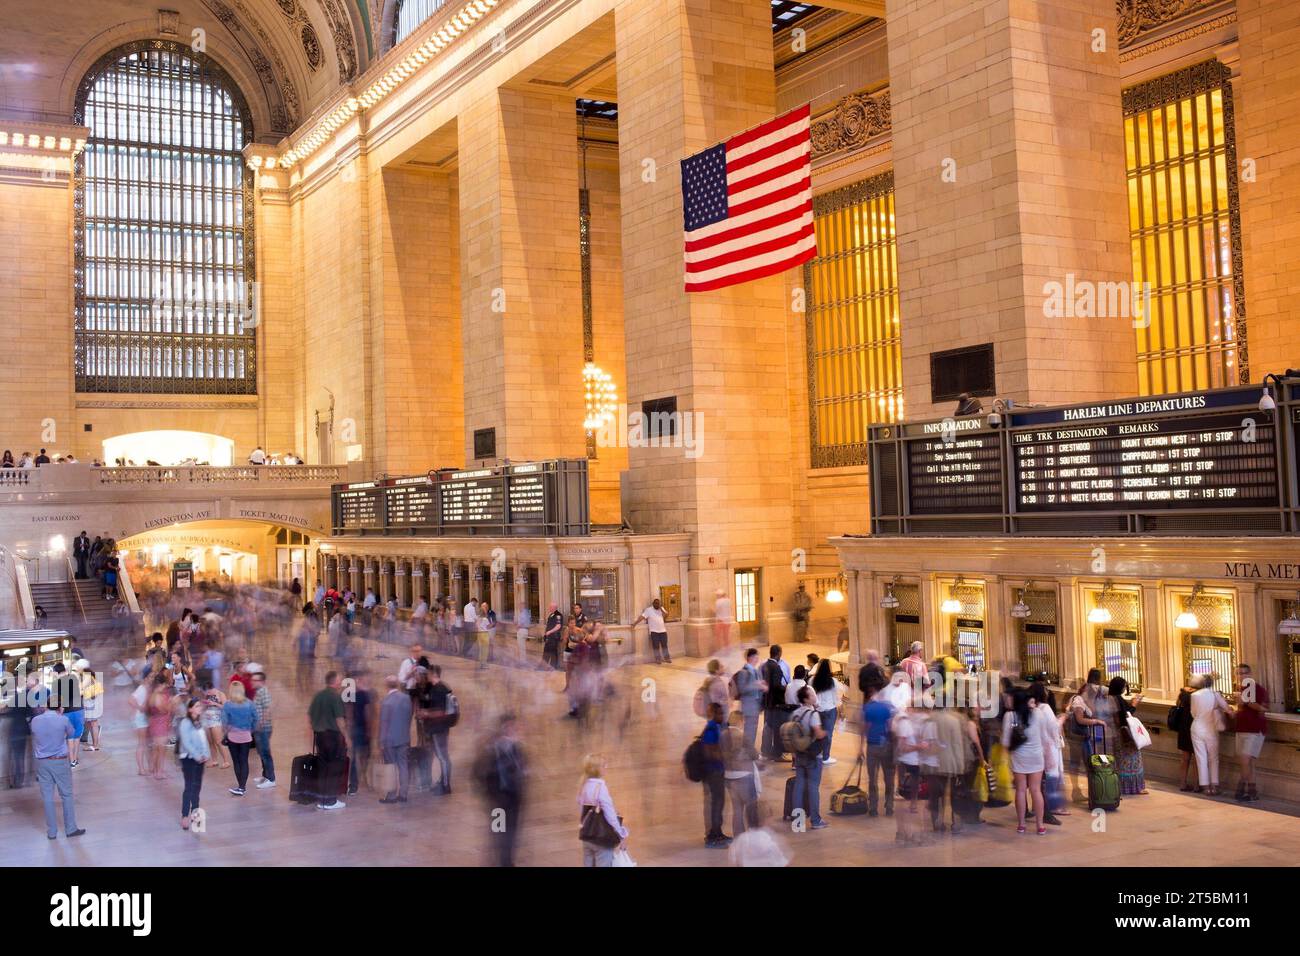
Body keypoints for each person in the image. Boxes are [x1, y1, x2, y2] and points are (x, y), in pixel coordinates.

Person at [30, 697, 85, 840]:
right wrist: (61, 716)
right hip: (59, 761)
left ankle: (52, 832)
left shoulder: (35, 721)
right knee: (66, 794)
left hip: (42, 762)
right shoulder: (63, 720)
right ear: (60, 707)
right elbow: (72, 733)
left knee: (47, 797)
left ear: (46, 706)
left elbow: (34, 733)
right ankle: (70, 828)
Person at [1002, 687, 1054, 835]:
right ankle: (1040, 825)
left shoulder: (1010, 716)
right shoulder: (1038, 713)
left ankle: (1022, 824)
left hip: (1019, 757)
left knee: (1020, 790)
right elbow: (1044, 736)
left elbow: (1005, 741)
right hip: (1036, 756)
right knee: (1036, 790)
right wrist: (1047, 754)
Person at [478, 714, 526, 867]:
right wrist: (491, 795)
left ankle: (507, 862)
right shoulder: (492, 751)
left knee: (511, 834)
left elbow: (521, 771)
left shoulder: (517, 749)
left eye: (515, 727)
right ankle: (499, 862)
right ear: (503, 728)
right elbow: (480, 774)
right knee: (498, 834)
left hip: (514, 800)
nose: (514, 730)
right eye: (511, 727)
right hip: (498, 802)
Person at [789, 687, 829, 831]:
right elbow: (818, 734)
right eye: (811, 694)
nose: (814, 696)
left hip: (799, 754)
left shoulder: (795, 714)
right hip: (813, 755)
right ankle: (816, 820)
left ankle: (798, 822)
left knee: (799, 787)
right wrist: (825, 733)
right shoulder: (813, 714)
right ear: (806, 699)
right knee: (813, 787)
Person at [307, 671, 348, 810]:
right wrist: (347, 737)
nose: (341, 683)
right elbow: (339, 720)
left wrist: (313, 730)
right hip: (332, 737)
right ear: (334, 682)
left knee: (323, 767)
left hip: (319, 736)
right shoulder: (335, 697)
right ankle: (330, 800)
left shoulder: (318, 696)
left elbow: (310, 716)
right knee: (334, 768)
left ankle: (322, 798)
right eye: (340, 680)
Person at [578, 753, 628, 866]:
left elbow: (582, 811)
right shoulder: (600, 788)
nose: (606, 768)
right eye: (604, 765)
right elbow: (610, 815)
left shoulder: (583, 786)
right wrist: (621, 835)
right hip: (601, 839)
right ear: (598, 769)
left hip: (587, 836)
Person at [1231, 664, 1268, 802]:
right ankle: (1252, 792)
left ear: (1250, 674)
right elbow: (1242, 708)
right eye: (1239, 673)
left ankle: (1241, 789)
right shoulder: (1241, 689)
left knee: (1245, 760)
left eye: (1244, 673)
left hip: (1254, 730)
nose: (1241, 676)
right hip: (1241, 729)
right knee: (1248, 762)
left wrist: (1245, 701)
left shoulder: (1257, 689)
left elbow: (1262, 708)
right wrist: (1234, 712)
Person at [1189, 674, 1230, 795]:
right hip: (1211, 728)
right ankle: (1215, 786)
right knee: (1213, 758)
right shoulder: (1215, 694)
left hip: (1197, 727)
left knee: (1201, 758)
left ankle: (1206, 787)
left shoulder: (1194, 695)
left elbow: (1193, 713)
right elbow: (1227, 708)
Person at [1108, 676, 1148, 796]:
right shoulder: (1117, 699)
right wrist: (1134, 704)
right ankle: (1134, 787)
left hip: (1115, 734)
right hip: (1124, 734)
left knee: (1120, 761)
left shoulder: (1109, 698)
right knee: (1133, 760)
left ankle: (1121, 787)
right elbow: (1124, 714)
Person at [721, 717, 760, 836]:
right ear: (740, 721)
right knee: (751, 808)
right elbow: (754, 755)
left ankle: (739, 837)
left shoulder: (722, 735)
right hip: (744, 775)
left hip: (728, 776)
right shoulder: (742, 735)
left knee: (737, 810)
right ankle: (754, 836)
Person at [861, 683, 895, 817]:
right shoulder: (887, 708)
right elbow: (891, 727)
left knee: (872, 779)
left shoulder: (867, 708)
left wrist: (860, 748)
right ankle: (889, 806)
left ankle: (873, 807)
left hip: (872, 746)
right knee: (889, 778)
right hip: (886, 745)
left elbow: (865, 729)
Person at [700, 701, 731, 847]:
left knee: (719, 802)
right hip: (713, 772)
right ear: (713, 714)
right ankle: (713, 835)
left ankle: (718, 832)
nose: (722, 716)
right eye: (719, 713)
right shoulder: (711, 729)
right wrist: (722, 756)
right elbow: (708, 750)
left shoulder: (717, 727)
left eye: (723, 713)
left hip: (718, 770)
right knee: (716, 803)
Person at [378, 675, 413, 804]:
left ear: (387, 686)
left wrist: (381, 742)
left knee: (391, 767)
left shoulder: (386, 702)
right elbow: (409, 717)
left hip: (390, 741)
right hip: (403, 738)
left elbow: (384, 724)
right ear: (397, 684)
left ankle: (392, 795)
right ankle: (403, 794)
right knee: (403, 766)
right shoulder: (407, 699)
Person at [177, 697, 210, 830]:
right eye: (196, 706)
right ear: (190, 709)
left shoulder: (200, 722)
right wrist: (197, 756)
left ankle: (195, 813)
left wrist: (206, 755)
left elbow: (204, 740)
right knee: (189, 786)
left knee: (197, 787)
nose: (199, 708)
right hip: (189, 759)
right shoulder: (185, 723)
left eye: (200, 706)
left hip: (200, 759)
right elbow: (186, 742)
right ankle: (185, 815)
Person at [423, 664, 456, 794]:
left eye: (428, 673)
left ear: (433, 674)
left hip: (439, 728)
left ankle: (445, 785)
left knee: (443, 757)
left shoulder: (439, 689)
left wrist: (425, 714)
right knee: (442, 755)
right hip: (439, 728)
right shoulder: (442, 688)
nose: (427, 676)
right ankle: (443, 781)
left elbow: (441, 712)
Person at [221, 679, 257, 795]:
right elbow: (256, 719)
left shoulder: (227, 705)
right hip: (246, 736)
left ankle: (241, 787)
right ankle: (243, 786)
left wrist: (227, 732)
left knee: (236, 762)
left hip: (232, 737)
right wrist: (250, 730)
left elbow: (224, 722)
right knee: (244, 761)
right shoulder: (249, 704)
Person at [734, 648, 768, 757]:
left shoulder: (755, 671)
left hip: (755, 705)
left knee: (752, 730)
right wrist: (757, 685)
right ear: (750, 658)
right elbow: (742, 688)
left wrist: (761, 685)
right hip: (749, 705)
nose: (757, 658)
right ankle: (747, 752)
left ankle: (749, 751)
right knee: (749, 730)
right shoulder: (744, 672)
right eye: (755, 656)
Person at [760, 645, 791, 760]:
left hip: (767, 702)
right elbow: (776, 686)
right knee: (778, 728)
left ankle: (765, 751)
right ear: (778, 653)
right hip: (776, 703)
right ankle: (777, 753)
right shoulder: (776, 667)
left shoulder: (765, 665)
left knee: (767, 727)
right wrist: (786, 688)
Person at [50, 664, 83, 769]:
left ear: (56, 672)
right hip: (79, 710)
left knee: (70, 737)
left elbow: (55, 702)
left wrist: (59, 712)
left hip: (67, 712)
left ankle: (72, 760)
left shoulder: (55, 683)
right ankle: (75, 760)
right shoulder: (73, 678)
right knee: (77, 736)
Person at [810, 658, 841, 766]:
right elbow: (835, 697)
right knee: (828, 734)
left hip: (817, 710)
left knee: (817, 732)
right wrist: (839, 708)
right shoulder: (832, 681)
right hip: (829, 710)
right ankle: (825, 756)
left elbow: (812, 694)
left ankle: (817, 753)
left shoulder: (812, 680)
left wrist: (815, 704)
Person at [249, 670, 275, 789]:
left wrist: (261, 723)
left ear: (262, 682)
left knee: (265, 753)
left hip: (263, 728)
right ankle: (265, 776)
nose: (252, 682)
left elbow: (269, 708)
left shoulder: (263, 692)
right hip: (259, 728)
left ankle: (271, 778)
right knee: (261, 752)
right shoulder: (259, 692)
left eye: (255, 680)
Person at [1169, 686, 1196, 792]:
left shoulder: (1182, 697)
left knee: (1185, 759)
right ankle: (1197, 785)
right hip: (1194, 729)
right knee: (1196, 759)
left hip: (1183, 730)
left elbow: (1177, 704)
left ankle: (1182, 783)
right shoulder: (1196, 698)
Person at [633, 597, 672, 664]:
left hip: (663, 631)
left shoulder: (661, 609)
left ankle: (667, 658)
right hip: (654, 631)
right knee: (656, 646)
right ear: (653, 603)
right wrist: (635, 624)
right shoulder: (648, 610)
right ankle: (658, 659)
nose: (657, 605)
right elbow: (642, 617)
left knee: (664, 645)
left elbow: (666, 615)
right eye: (656, 604)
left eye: (659, 604)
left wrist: (662, 609)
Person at [77, 661, 103, 752]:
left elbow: (92, 695)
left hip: (91, 705)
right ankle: (95, 744)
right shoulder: (91, 678)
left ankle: (95, 745)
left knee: (93, 724)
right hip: (91, 704)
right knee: (91, 724)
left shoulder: (88, 678)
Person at [542, 603, 563, 670]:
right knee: (546, 651)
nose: (549, 608)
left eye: (550, 607)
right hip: (549, 637)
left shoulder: (558, 615)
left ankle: (553, 667)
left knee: (553, 652)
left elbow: (558, 626)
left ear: (555, 607)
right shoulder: (551, 615)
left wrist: (550, 632)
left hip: (554, 637)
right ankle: (543, 666)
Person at [476, 601, 496, 669]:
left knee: (481, 649)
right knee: (485, 649)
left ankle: (481, 663)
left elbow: (477, 625)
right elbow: (488, 627)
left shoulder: (478, 618)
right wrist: (492, 624)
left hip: (479, 634)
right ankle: (484, 664)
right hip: (485, 634)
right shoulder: (485, 619)